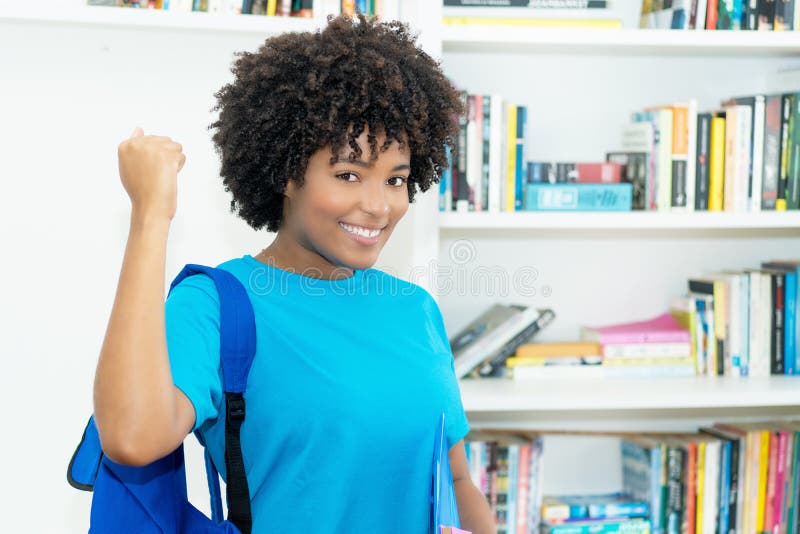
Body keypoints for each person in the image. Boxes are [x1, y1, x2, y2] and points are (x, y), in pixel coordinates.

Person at [92, 13, 496, 534]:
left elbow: (457, 481)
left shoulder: (415, 310)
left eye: (395, 179)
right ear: (287, 174)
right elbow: (130, 437)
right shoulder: (217, 304)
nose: (378, 205)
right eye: (348, 174)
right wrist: (150, 216)